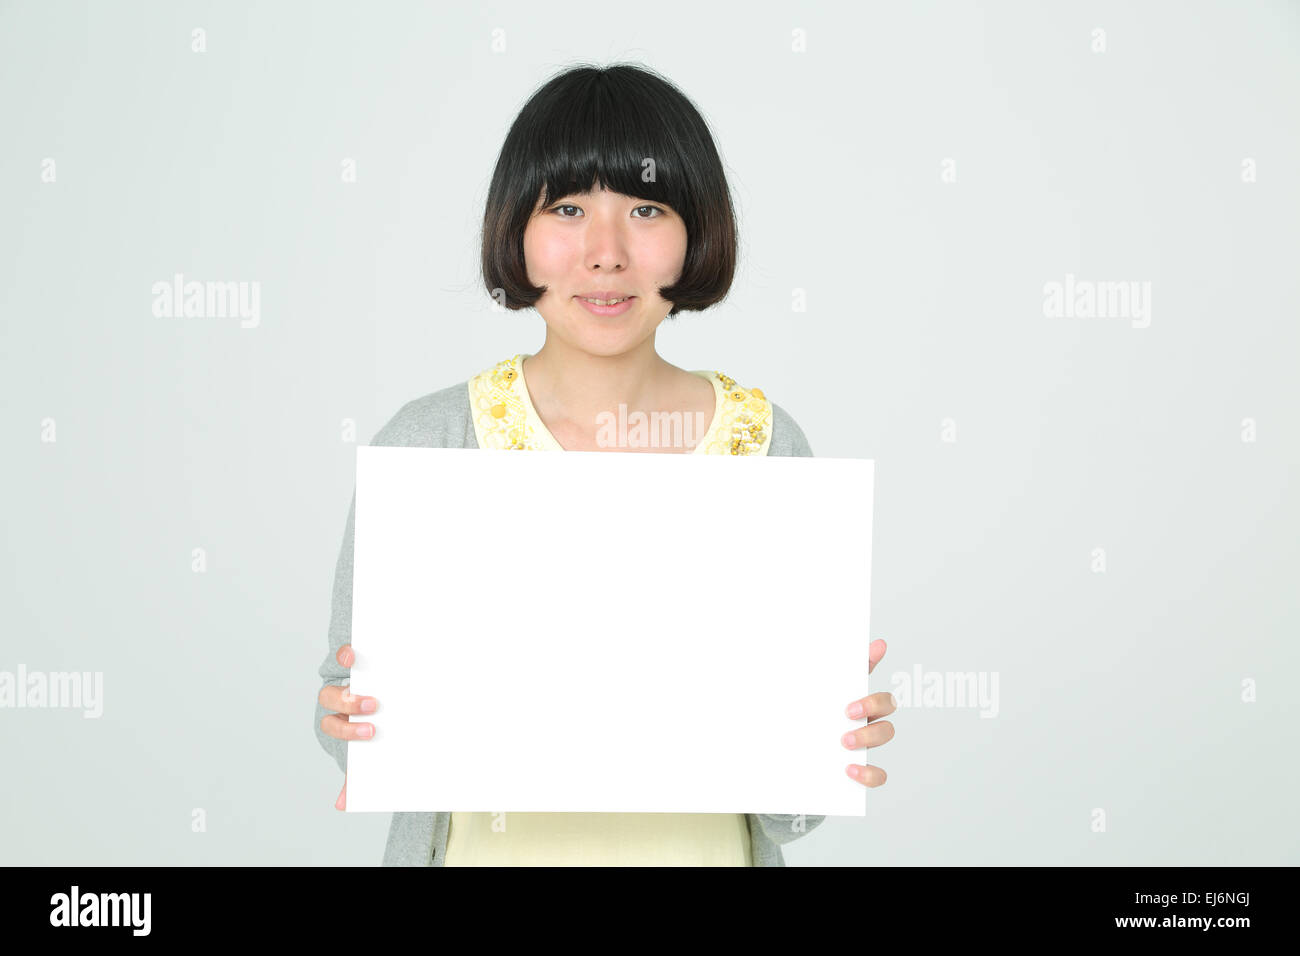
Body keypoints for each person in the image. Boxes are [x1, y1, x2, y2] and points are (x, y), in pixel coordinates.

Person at [314, 61, 896, 866]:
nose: (605, 252)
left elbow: (794, 805)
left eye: (647, 209)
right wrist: (349, 719)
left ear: (698, 232)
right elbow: (351, 722)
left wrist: (827, 733)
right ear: (515, 228)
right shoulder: (432, 442)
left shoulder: (765, 448)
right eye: (568, 208)